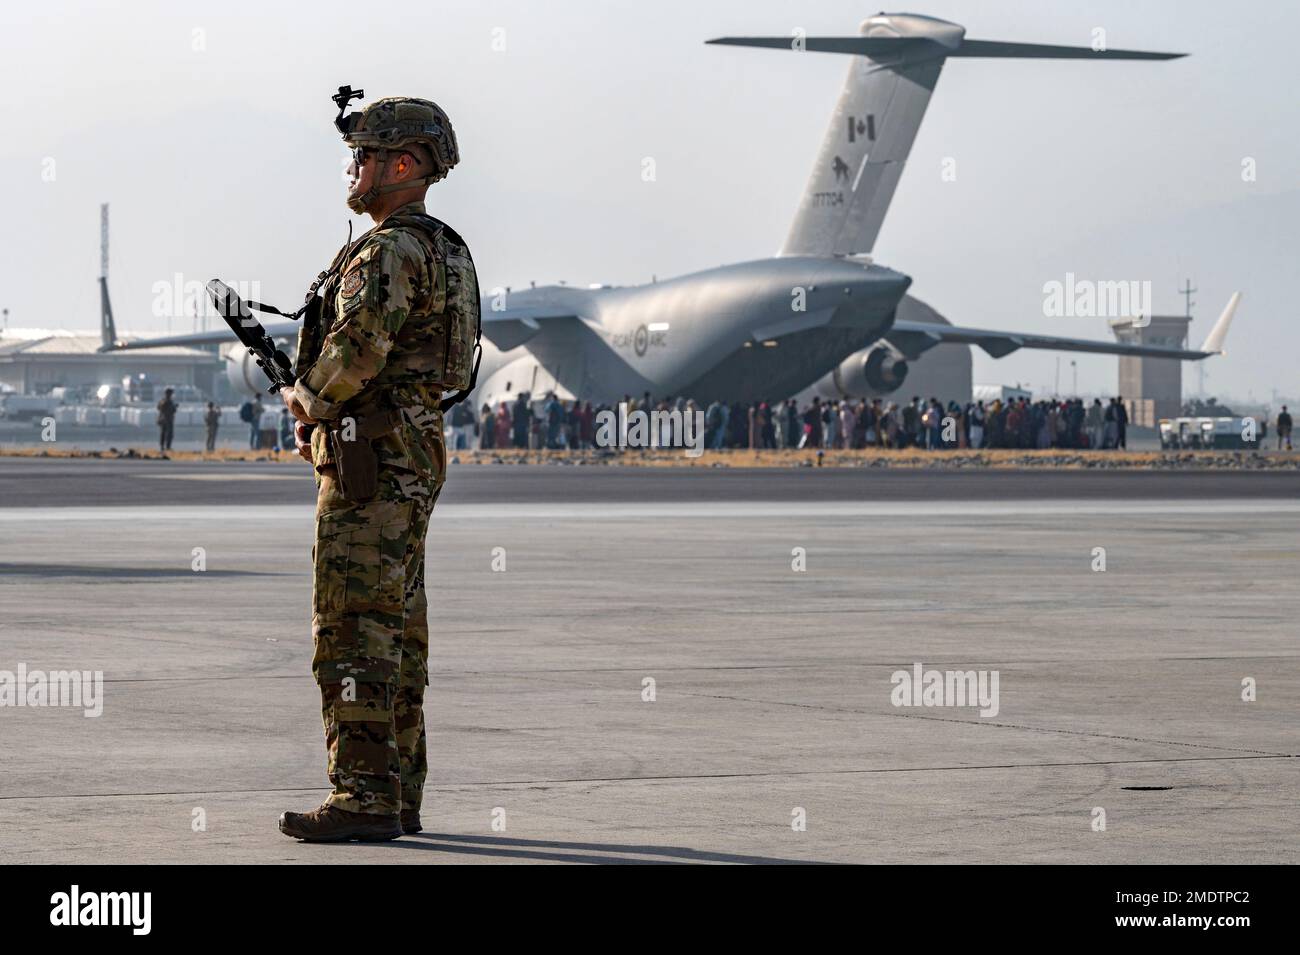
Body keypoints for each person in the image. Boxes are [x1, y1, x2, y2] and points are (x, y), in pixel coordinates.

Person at [277, 91, 478, 842]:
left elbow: (356, 352)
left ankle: (364, 794)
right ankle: (400, 789)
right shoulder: (445, 248)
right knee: (398, 630)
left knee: (354, 629)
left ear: (404, 164)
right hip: (412, 452)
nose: (353, 169)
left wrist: (309, 402)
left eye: (365, 155)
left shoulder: (390, 249)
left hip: (372, 462)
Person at [155, 387, 177, 452]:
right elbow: (171, 410)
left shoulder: (162, 400)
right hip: (167, 419)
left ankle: (163, 446)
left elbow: (158, 407)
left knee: (163, 433)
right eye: (171, 393)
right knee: (169, 434)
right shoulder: (168, 401)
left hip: (163, 419)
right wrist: (174, 407)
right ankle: (167, 447)